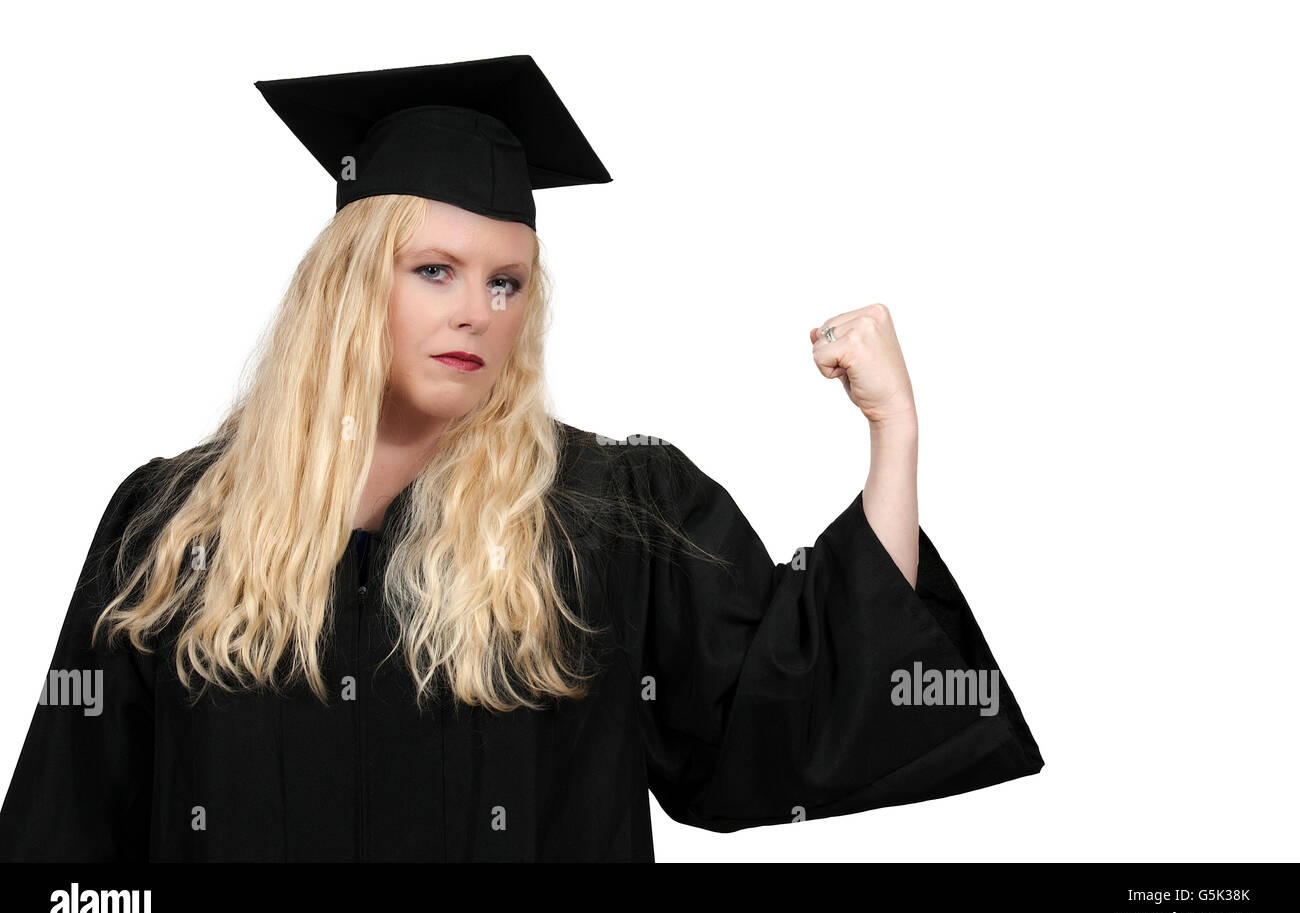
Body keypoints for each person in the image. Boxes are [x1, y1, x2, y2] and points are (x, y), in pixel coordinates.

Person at [0, 54, 1043, 862]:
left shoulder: (607, 512)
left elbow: (796, 712)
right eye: (435, 269)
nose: (476, 311)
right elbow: (68, 835)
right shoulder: (177, 522)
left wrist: (894, 432)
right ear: (348, 286)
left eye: (507, 282)